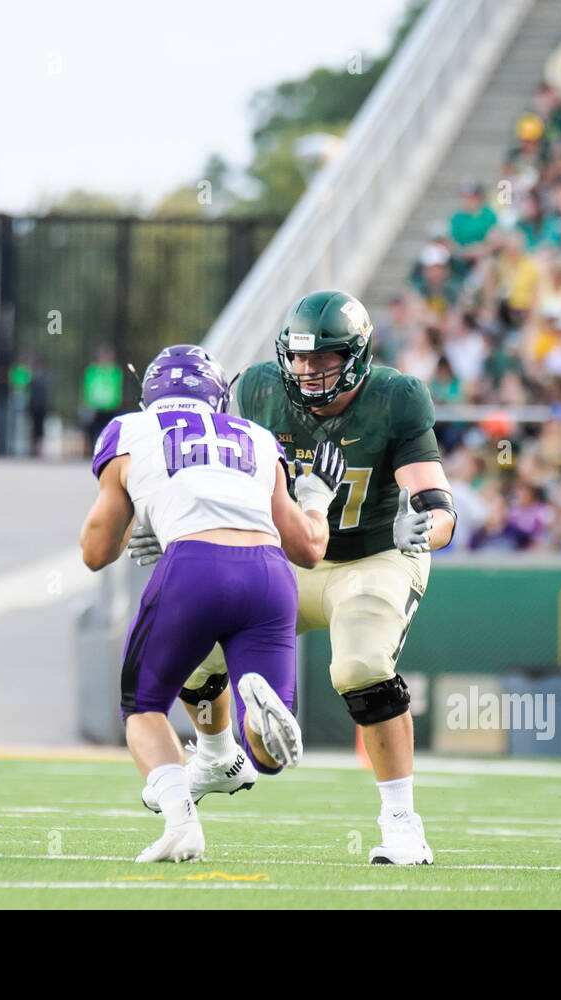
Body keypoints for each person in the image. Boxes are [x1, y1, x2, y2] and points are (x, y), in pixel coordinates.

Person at [131, 290, 456, 865]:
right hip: (289, 556)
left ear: (355, 356)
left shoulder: (396, 397)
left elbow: (435, 500)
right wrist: (172, 519)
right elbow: (214, 472)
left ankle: (402, 822)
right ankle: (217, 753)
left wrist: (424, 529)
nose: (308, 371)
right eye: (300, 358)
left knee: (361, 669)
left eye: (324, 359)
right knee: (190, 646)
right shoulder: (257, 389)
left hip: (374, 557)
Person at [80, 344, 346, 862]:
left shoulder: (129, 430)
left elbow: (95, 552)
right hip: (270, 577)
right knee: (267, 757)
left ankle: (181, 824)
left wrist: (145, 515)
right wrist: (317, 496)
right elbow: (309, 549)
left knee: (142, 706)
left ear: (150, 393)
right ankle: (260, 719)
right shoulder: (256, 437)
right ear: (217, 397)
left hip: (195, 568)